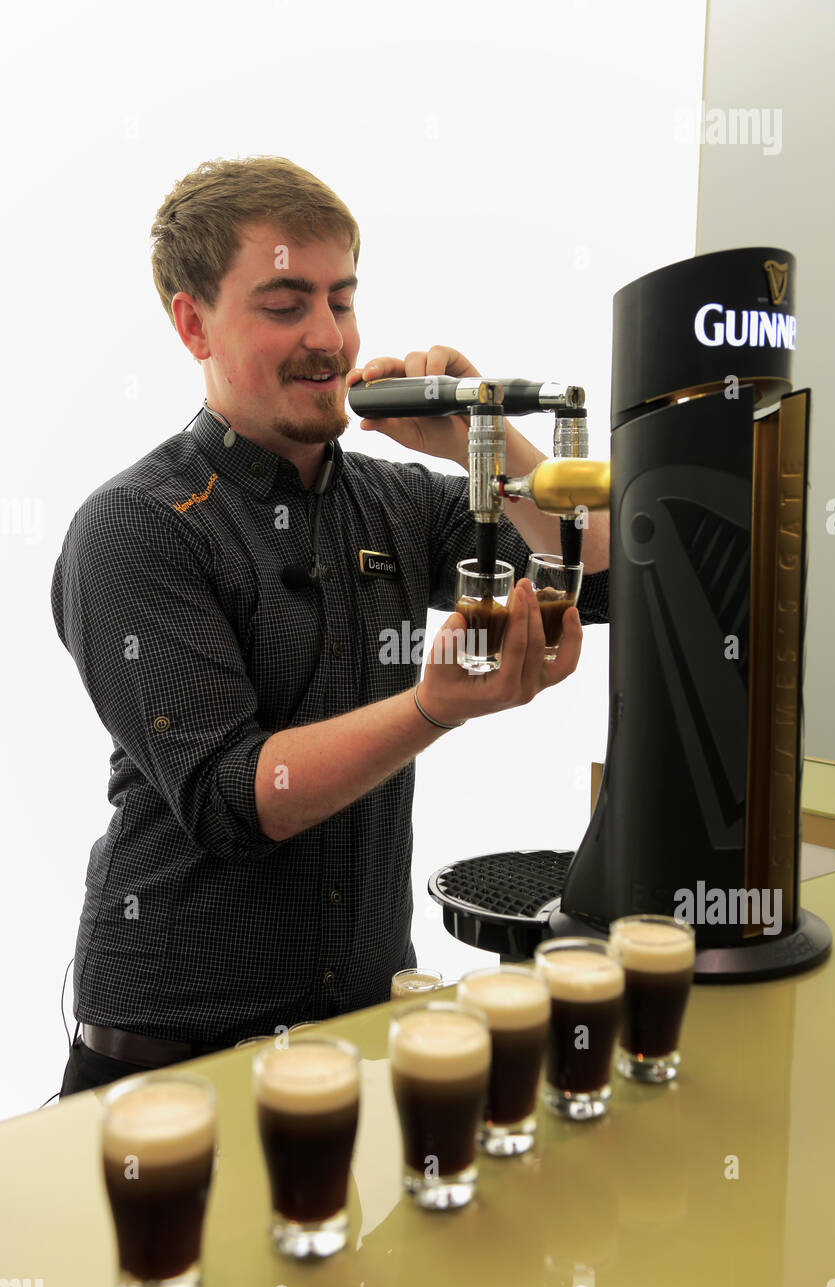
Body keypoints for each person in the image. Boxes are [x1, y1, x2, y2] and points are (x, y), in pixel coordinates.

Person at [53, 155, 610, 1097]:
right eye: (284, 303)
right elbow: (237, 799)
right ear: (192, 321)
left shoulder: (395, 501)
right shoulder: (137, 527)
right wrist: (430, 709)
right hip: (173, 1067)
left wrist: (483, 441)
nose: (329, 337)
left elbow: (594, 573)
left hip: (358, 1043)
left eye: (342, 300)